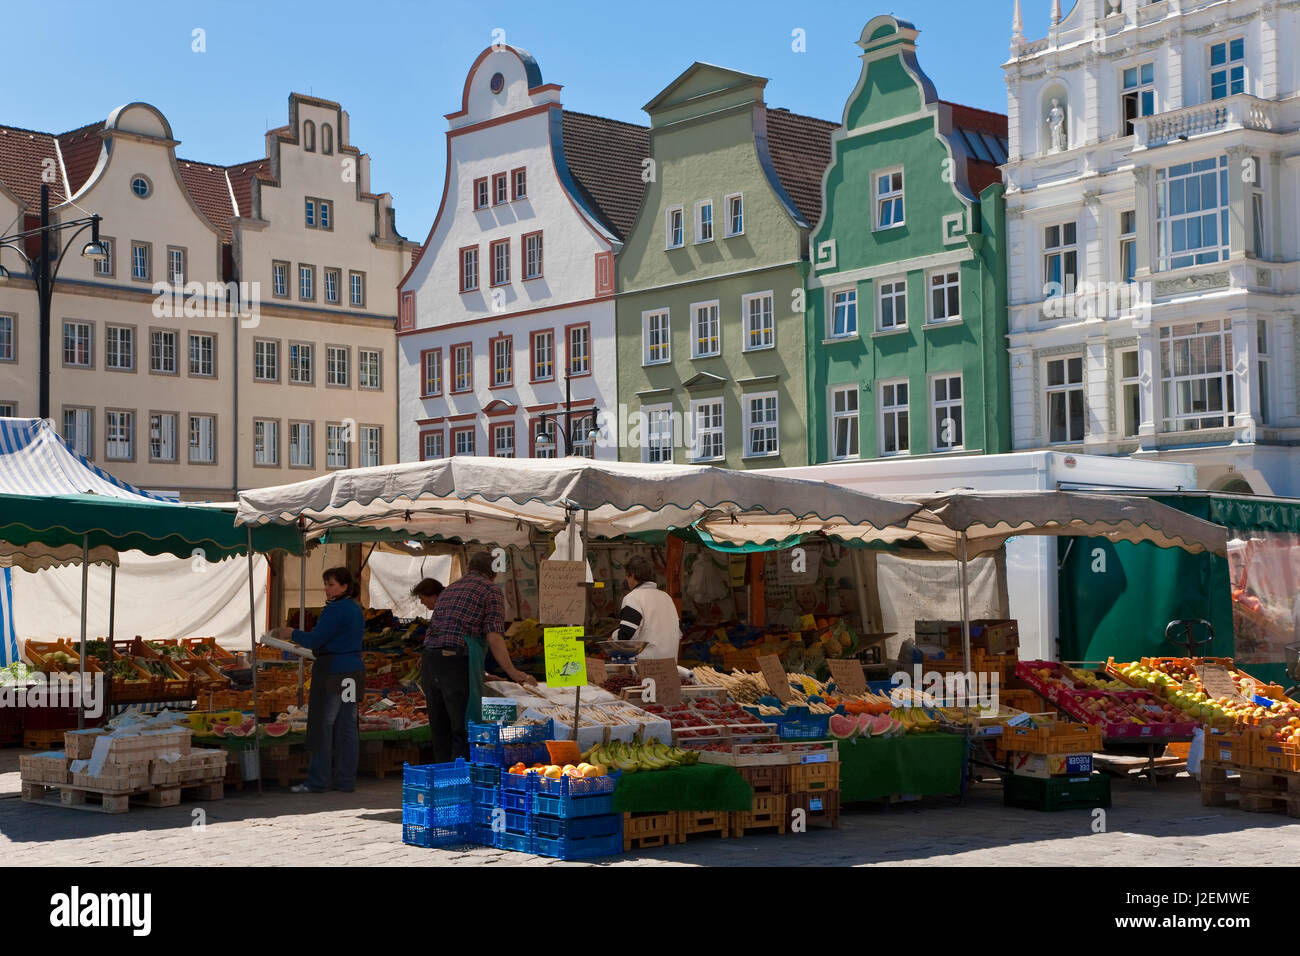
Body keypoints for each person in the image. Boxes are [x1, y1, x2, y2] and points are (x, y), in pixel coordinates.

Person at [423, 551, 536, 762]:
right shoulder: (490, 590)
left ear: (469, 567)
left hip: (430, 660)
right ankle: (461, 780)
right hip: (456, 660)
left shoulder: (450, 589)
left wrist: (480, 673)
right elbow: (494, 637)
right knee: (463, 725)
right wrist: (513, 672)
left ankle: (442, 780)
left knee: (440, 725)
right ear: (493, 572)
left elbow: (450, 631)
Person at [272, 567, 365, 794]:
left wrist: (291, 632)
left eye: (331, 584)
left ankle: (317, 781)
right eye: (326, 583)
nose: (327, 588)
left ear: (344, 587)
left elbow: (315, 640)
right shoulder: (355, 609)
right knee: (348, 727)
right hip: (353, 671)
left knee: (324, 725)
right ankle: (345, 780)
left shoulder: (336, 610)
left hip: (333, 671)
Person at [617, 555, 682, 662]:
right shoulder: (666, 597)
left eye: (627, 576)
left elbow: (625, 635)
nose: (627, 580)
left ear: (632, 575)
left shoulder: (633, 598)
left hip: (645, 667)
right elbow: (679, 631)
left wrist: (614, 637)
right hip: (670, 665)